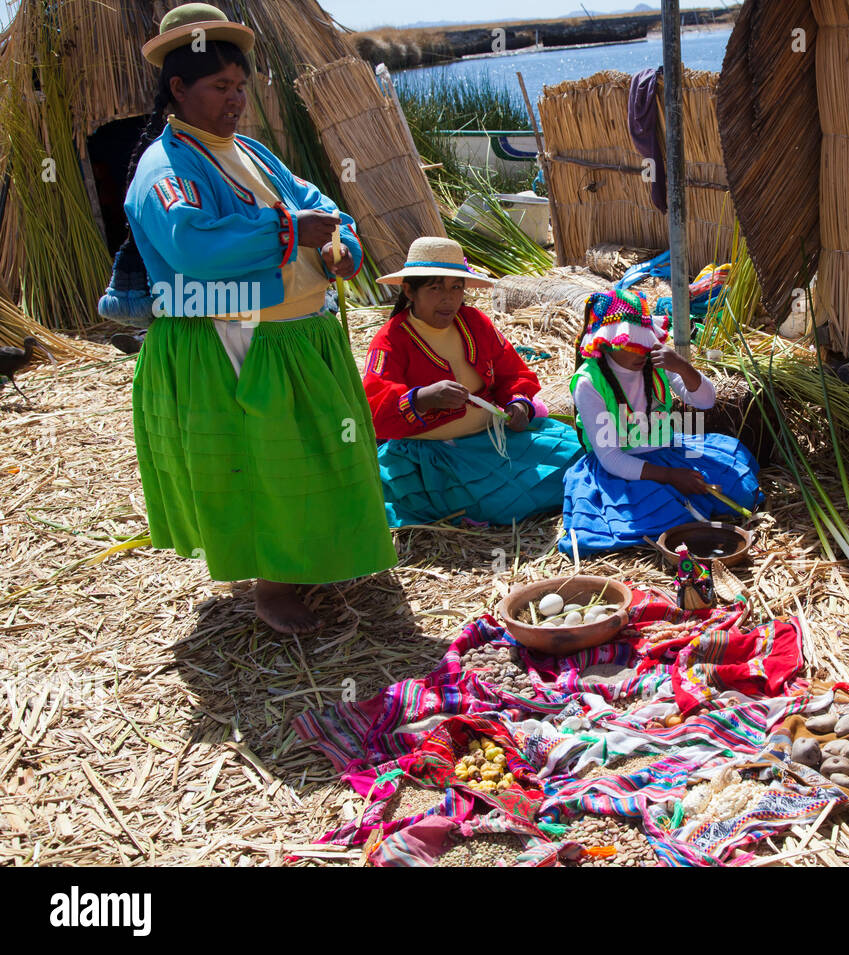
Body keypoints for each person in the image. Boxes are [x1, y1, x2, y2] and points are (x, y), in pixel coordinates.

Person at [122, 3, 396, 634]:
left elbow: (317, 205)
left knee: (319, 450)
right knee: (270, 459)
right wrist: (288, 232)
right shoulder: (165, 170)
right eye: (220, 87)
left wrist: (338, 244)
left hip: (294, 334)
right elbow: (194, 245)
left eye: (240, 87)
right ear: (179, 88)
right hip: (233, 339)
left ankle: (314, 555)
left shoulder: (250, 153)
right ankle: (273, 586)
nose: (235, 99)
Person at [363, 237, 583, 526]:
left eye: (456, 287)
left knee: (579, 457)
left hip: (495, 438)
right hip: (435, 457)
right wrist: (422, 398)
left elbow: (513, 373)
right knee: (497, 505)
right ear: (409, 290)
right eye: (435, 288)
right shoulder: (391, 340)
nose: (448, 298)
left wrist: (519, 404)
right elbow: (374, 407)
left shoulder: (474, 322)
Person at [564, 288, 762, 553]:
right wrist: (669, 476)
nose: (641, 352)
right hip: (625, 470)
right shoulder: (590, 383)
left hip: (670, 450)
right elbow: (611, 459)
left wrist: (682, 366)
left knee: (738, 489)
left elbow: (706, 400)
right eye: (631, 343)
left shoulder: (654, 361)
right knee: (662, 520)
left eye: (644, 342)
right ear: (608, 341)